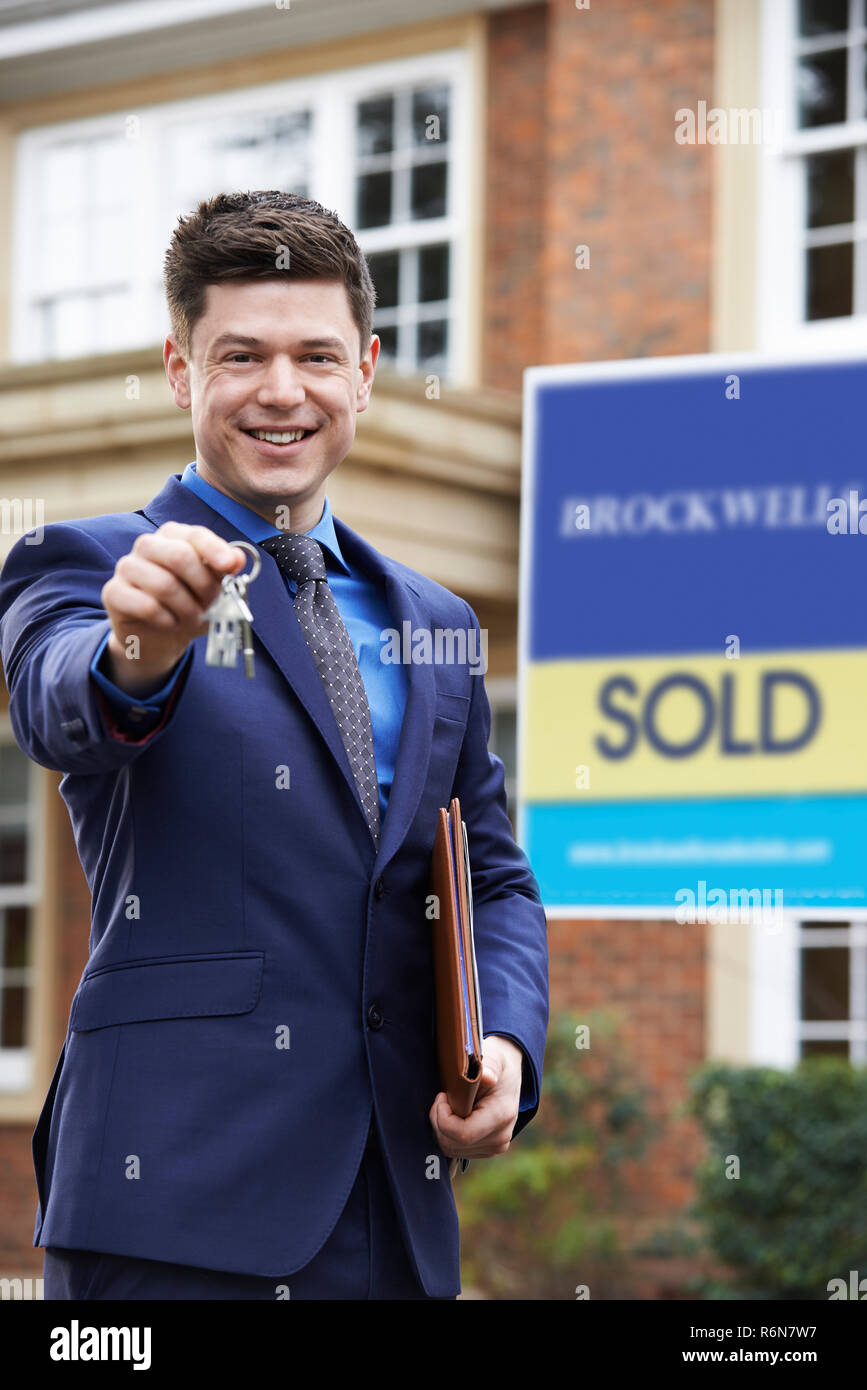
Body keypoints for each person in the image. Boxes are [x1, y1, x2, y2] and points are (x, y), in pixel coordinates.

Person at [0, 190, 549, 1300]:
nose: (282, 392)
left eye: (317, 355)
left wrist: (509, 1045)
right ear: (179, 369)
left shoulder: (437, 622)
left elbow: (492, 878)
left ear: (367, 369)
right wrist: (137, 650)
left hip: (396, 1211)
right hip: (174, 1217)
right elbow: (60, 701)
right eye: (240, 355)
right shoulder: (86, 562)